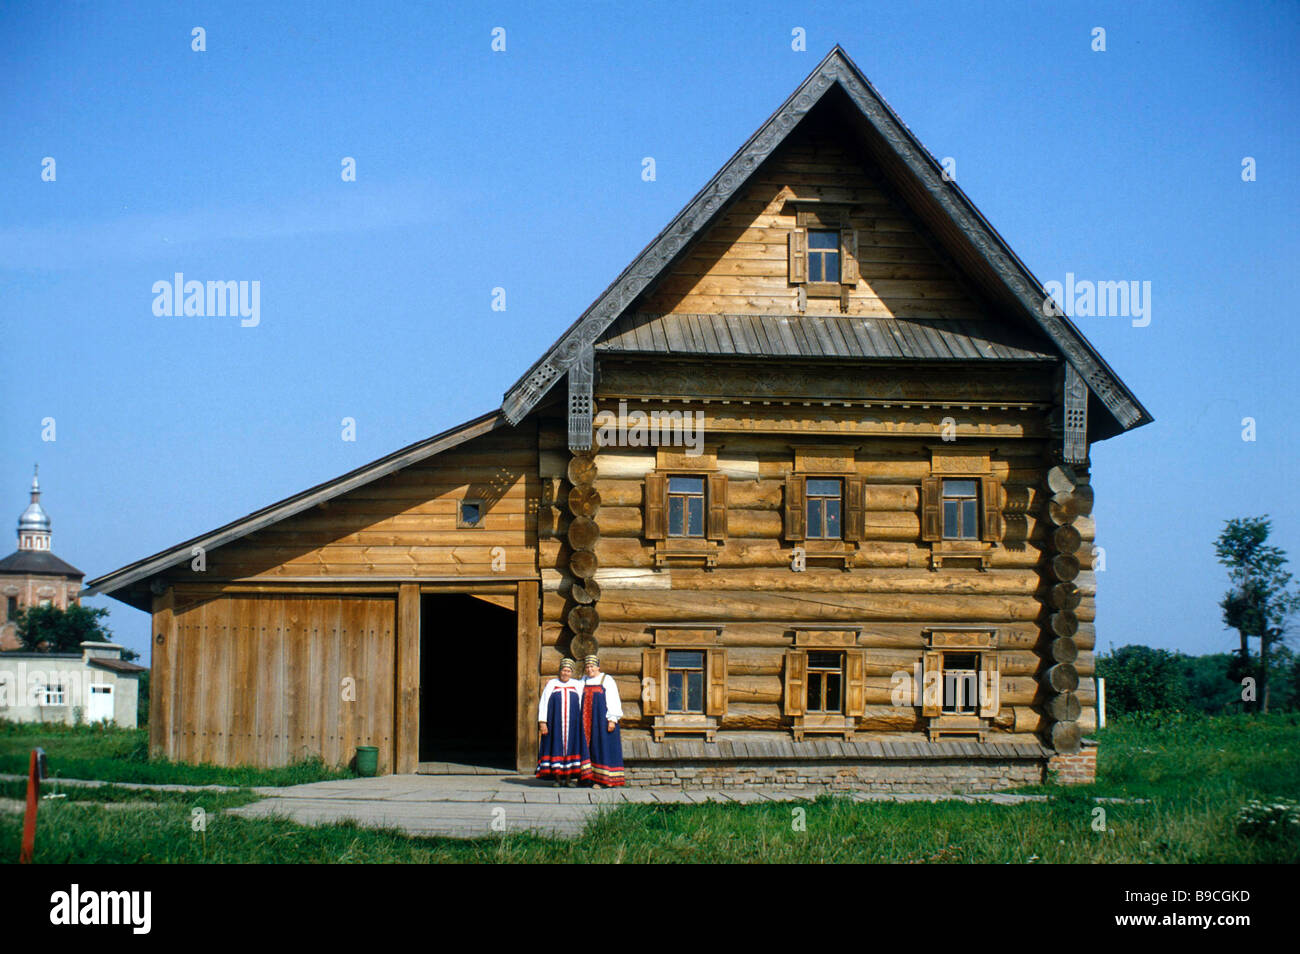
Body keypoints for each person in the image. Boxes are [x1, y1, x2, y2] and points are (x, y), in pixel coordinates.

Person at [536, 658, 586, 786]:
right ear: (560, 671)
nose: (566, 673)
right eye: (564, 670)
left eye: (568, 671)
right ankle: (557, 779)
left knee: (571, 749)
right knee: (556, 749)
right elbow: (544, 703)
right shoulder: (552, 684)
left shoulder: (577, 685)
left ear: (572, 672)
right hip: (555, 725)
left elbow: (582, 702)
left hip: (573, 726)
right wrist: (543, 722)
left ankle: (569, 780)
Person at [578, 654, 625, 788]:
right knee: (588, 748)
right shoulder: (583, 680)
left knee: (602, 747)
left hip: (601, 721)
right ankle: (587, 778)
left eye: (592, 666)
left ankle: (603, 780)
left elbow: (613, 700)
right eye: (587, 667)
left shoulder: (606, 680)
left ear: (598, 667)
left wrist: (612, 719)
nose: (589, 669)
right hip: (586, 721)